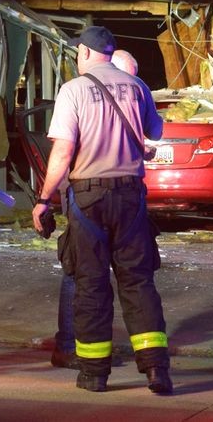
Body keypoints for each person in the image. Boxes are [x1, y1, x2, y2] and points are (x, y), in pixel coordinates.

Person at [32, 26, 172, 394]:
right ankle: (157, 369)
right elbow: (153, 134)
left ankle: (94, 374)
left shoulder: (73, 90)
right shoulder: (137, 87)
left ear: (84, 53)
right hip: (131, 198)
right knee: (138, 282)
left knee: (91, 285)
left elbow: (62, 153)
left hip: (89, 200)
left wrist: (44, 199)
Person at [50, 48, 140, 371]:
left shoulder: (79, 92)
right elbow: (64, 151)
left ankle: (88, 354)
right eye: (127, 75)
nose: (127, 82)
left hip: (90, 195)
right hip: (92, 194)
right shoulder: (93, 90)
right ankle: (70, 345)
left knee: (88, 274)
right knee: (82, 273)